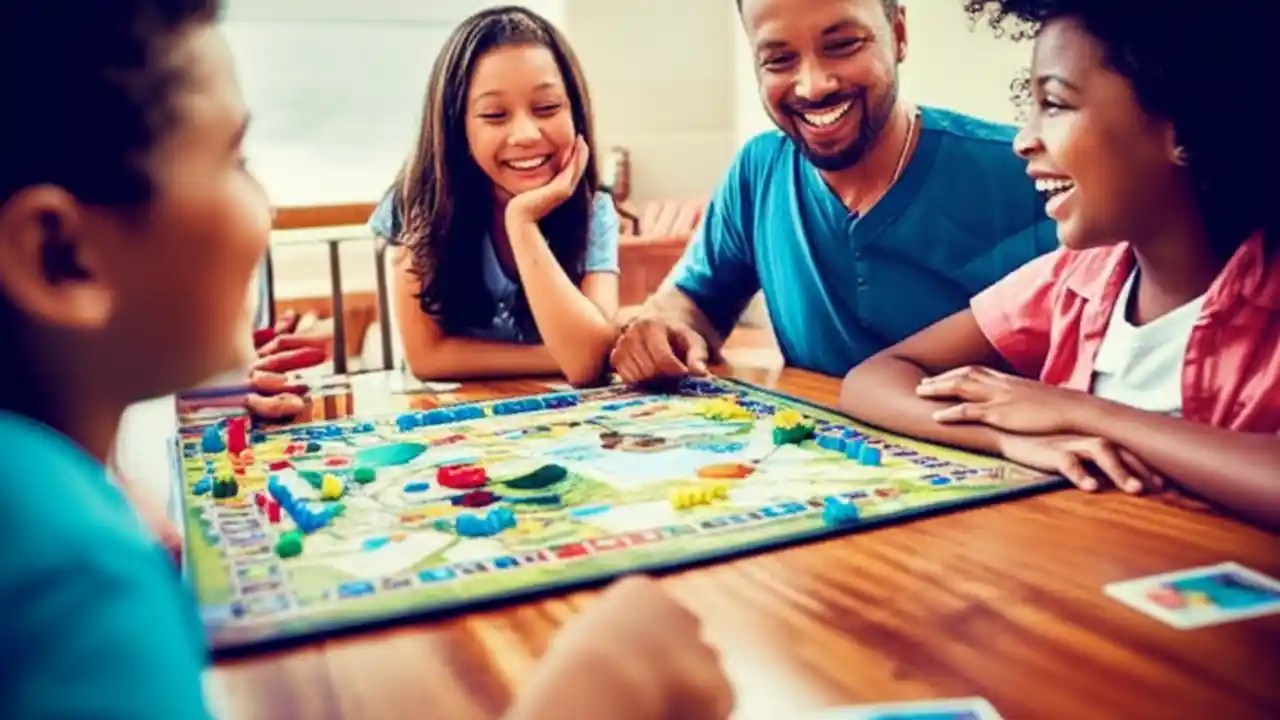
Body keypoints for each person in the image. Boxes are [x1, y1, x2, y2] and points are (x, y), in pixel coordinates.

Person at [0, 2, 734, 717]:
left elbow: (587, 356)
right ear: (61, 258)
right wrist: (595, 691)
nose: (268, 211)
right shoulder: (71, 581)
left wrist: (199, 408)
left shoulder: (62, 510)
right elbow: (463, 353)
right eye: (235, 160)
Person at [839, 0, 1279, 530]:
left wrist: (1080, 411)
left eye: (1055, 104)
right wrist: (1009, 438)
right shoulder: (1076, 279)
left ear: (1184, 125)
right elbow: (871, 379)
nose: (1023, 140)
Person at [609, 0, 1057, 383]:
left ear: (899, 34)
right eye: (779, 60)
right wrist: (665, 329)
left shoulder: (1032, 175)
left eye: (842, 46)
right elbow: (692, 305)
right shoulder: (759, 171)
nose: (813, 84)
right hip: (822, 471)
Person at [370, 6, 620, 386]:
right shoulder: (417, 201)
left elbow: (590, 362)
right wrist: (564, 353)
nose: (526, 134)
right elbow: (427, 357)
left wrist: (522, 222)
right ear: (458, 128)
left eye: (547, 108)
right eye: (494, 115)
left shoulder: (593, 209)